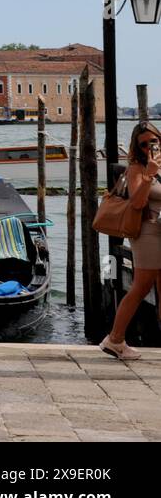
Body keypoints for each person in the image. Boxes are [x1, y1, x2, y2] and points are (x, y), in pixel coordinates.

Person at [101, 122, 161, 360]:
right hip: (148, 232)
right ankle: (115, 339)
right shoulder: (137, 168)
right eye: (143, 144)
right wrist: (149, 175)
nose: (148, 148)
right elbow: (137, 203)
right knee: (141, 286)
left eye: (153, 142)